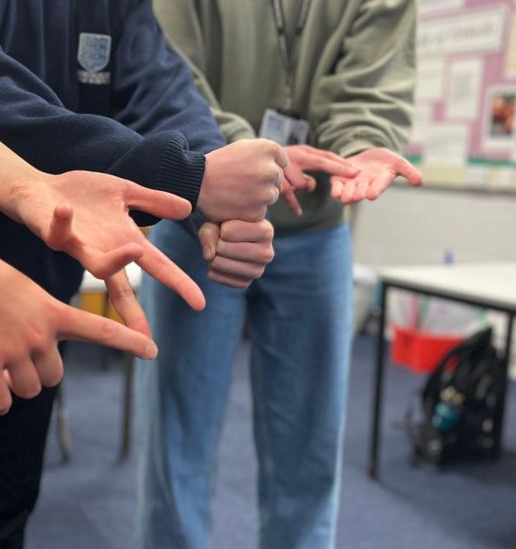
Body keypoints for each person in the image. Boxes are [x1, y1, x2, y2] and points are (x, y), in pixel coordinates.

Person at [0, 0, 300, 546]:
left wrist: (212, 188)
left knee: (12, 500)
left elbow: (166, 91)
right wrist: (189, 178)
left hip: (46, 293)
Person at [135, 1, 423, 548]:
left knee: (309, 448)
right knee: (175, 439)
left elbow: (373, 81)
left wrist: (363, 141)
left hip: (316, 223)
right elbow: (165, 73)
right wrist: (242, 158)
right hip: (200, 206)